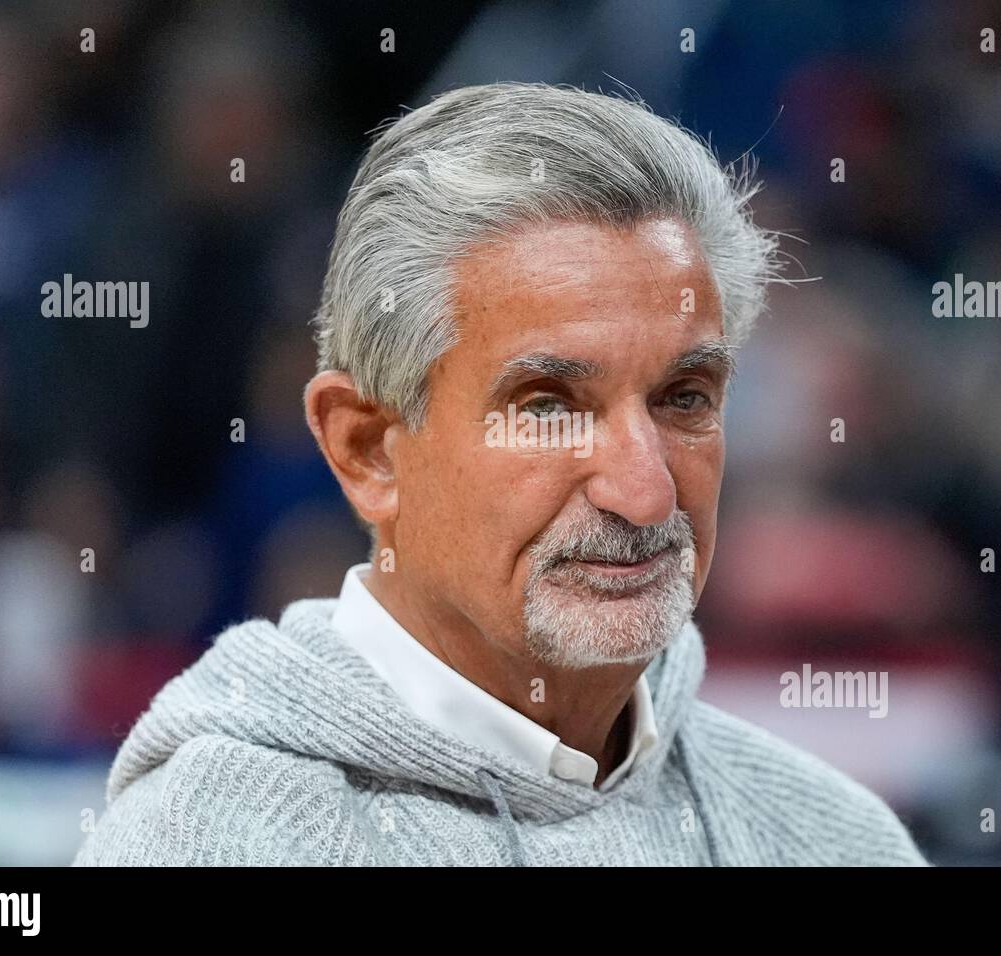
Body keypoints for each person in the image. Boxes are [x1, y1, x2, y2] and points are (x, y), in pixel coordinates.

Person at [73, 82, 926, 866]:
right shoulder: (207, 842)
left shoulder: (834, 837)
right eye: (549, 405)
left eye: (684, 397)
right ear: (367, 449)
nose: (647, 490)